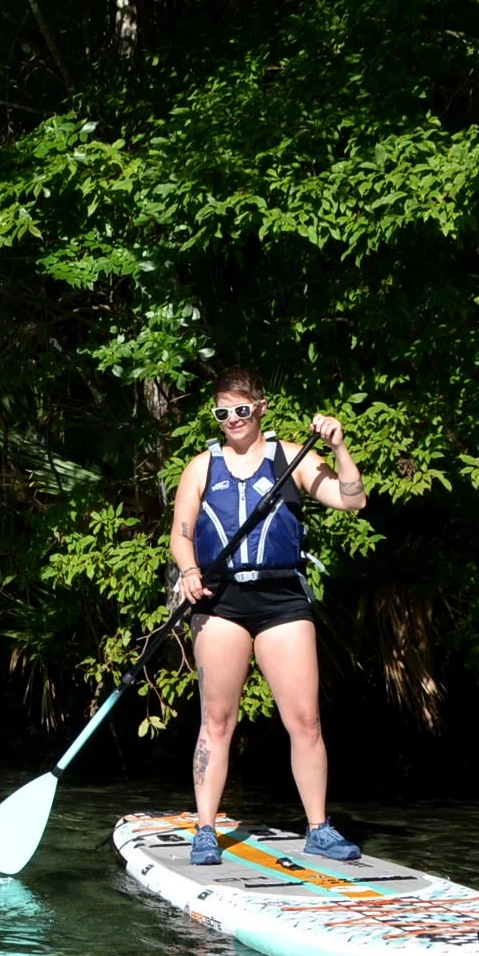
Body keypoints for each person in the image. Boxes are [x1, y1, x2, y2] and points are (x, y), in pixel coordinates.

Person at [170, 368, 368, 865]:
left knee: (305, 720)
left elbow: (352, 500)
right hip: (222, 602)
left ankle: (319, 828)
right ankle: (206, 831)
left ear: (260, 408)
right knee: (217, 721)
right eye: (222, 412)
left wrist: (340, 448)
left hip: (281, 600)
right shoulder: (201, 467)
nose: (232, 419)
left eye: (241, 409)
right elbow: (181, 534)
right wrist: (189, 570)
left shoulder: (291, 459)